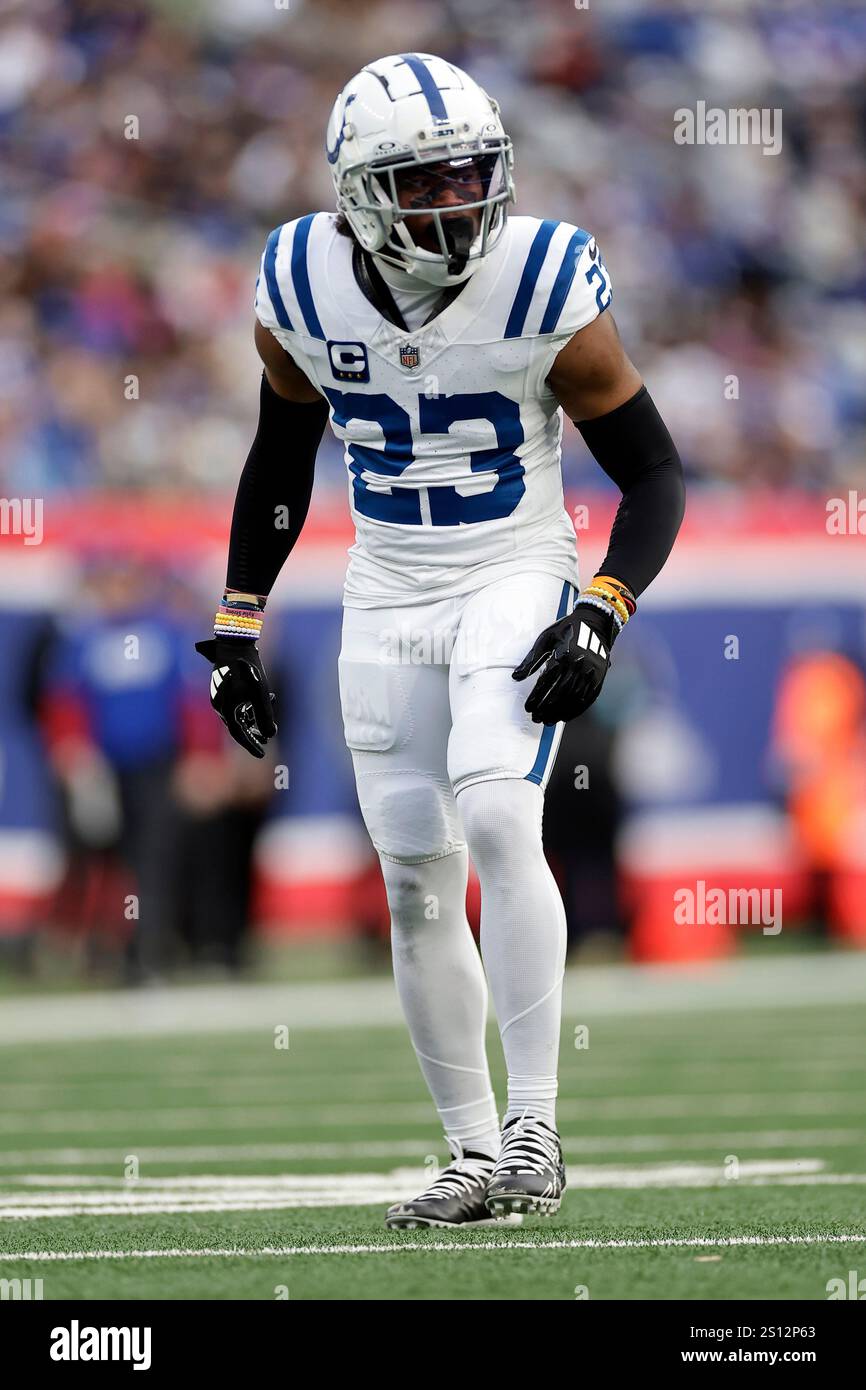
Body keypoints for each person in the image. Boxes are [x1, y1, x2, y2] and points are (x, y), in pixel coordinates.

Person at [196, 53, 685, 1227]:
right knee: (415, 876)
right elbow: (278, 457)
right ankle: (470, 1152)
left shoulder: (541, 279)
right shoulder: (300, 281)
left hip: (511, 566)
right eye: (422, 183)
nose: (454, 201)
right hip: (387, 585)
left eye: (468, 173)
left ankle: (535, 1129)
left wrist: (602, 604)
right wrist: (235, 619)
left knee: (498, 808)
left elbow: (654, 470)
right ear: (360, 192)